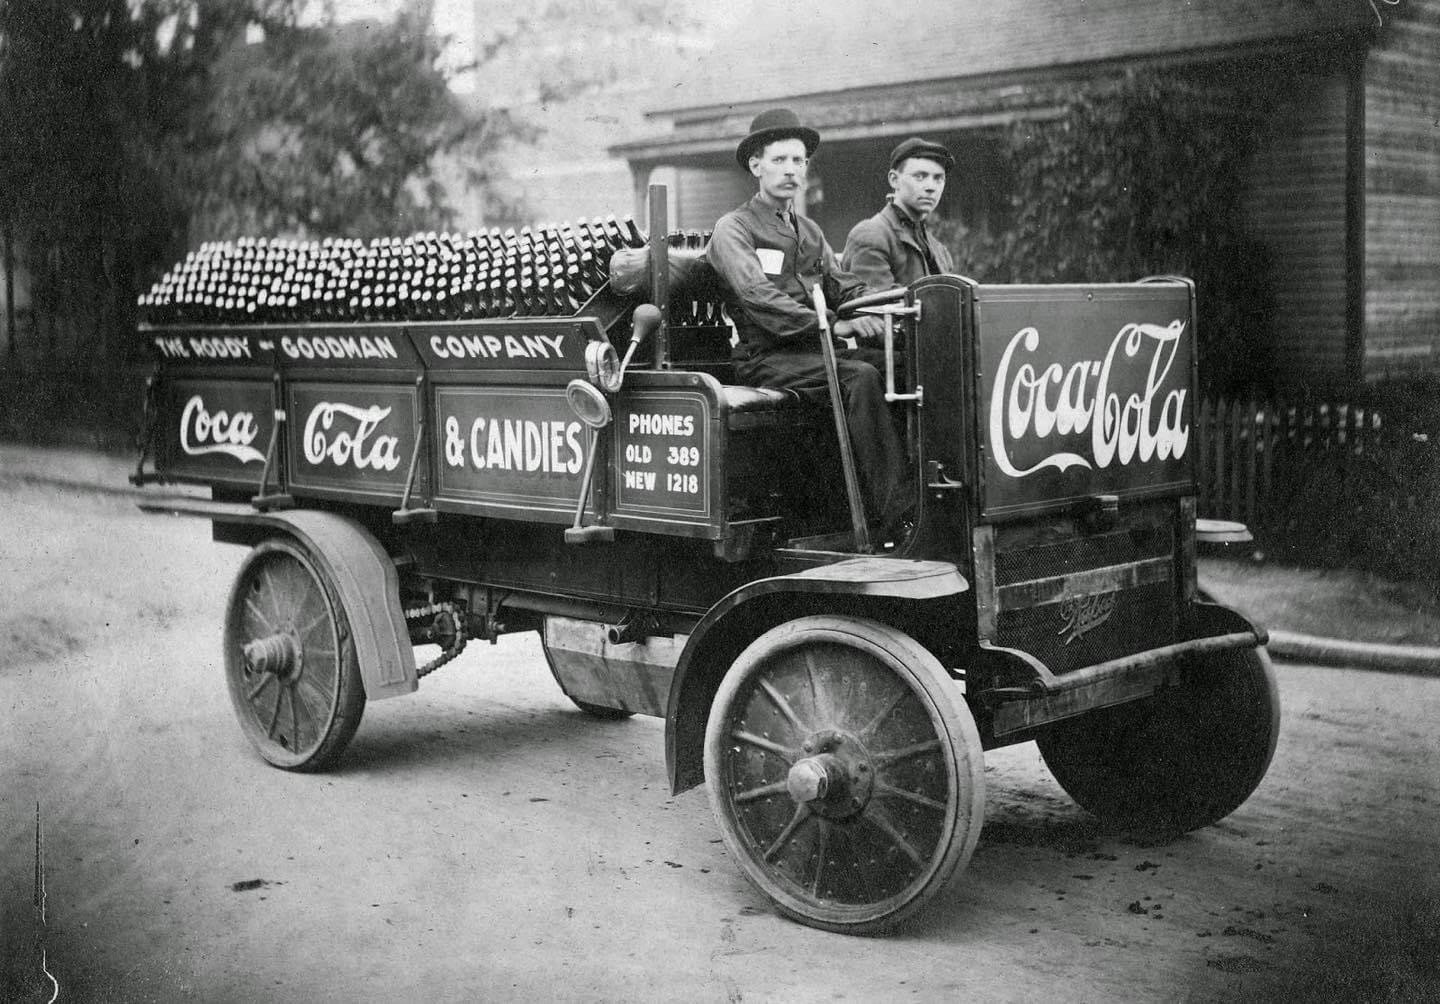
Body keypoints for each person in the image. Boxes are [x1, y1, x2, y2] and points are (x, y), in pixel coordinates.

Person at [704, 108, 912, 543]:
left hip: (814, 353)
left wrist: (875, 309)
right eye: (779, 160)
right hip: (766, 358)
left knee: (904, 364)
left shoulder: (810, 231)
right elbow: (758, 297)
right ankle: (899, 516)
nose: (791, 170)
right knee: (862, 374)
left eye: (798, 161)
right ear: (755, 166)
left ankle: (925, 497)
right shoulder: (734, 229)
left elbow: (842, 284)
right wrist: (833, 325)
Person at [842, 137, 956, 290]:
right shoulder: (870, 236)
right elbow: (875, 307)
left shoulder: (939, 250)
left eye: (938, 178)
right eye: (920, 176)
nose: (931, 187)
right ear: (894, 180)